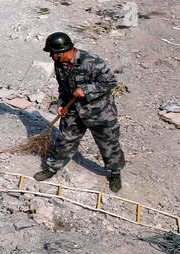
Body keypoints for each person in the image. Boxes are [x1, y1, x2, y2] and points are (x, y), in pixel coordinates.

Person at [34, 32, 125, 191]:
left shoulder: (92, 61)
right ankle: (52, 168)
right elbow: (63, 86)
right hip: (74, 110)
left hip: (100, 111)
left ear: (63, 52)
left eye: (53, 53)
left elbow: (111, 83)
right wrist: (62, 104)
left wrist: (86, 90)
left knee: (108, 144)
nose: (51, 56)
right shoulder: (59, 63)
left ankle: (115, 172)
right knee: (65, 139)